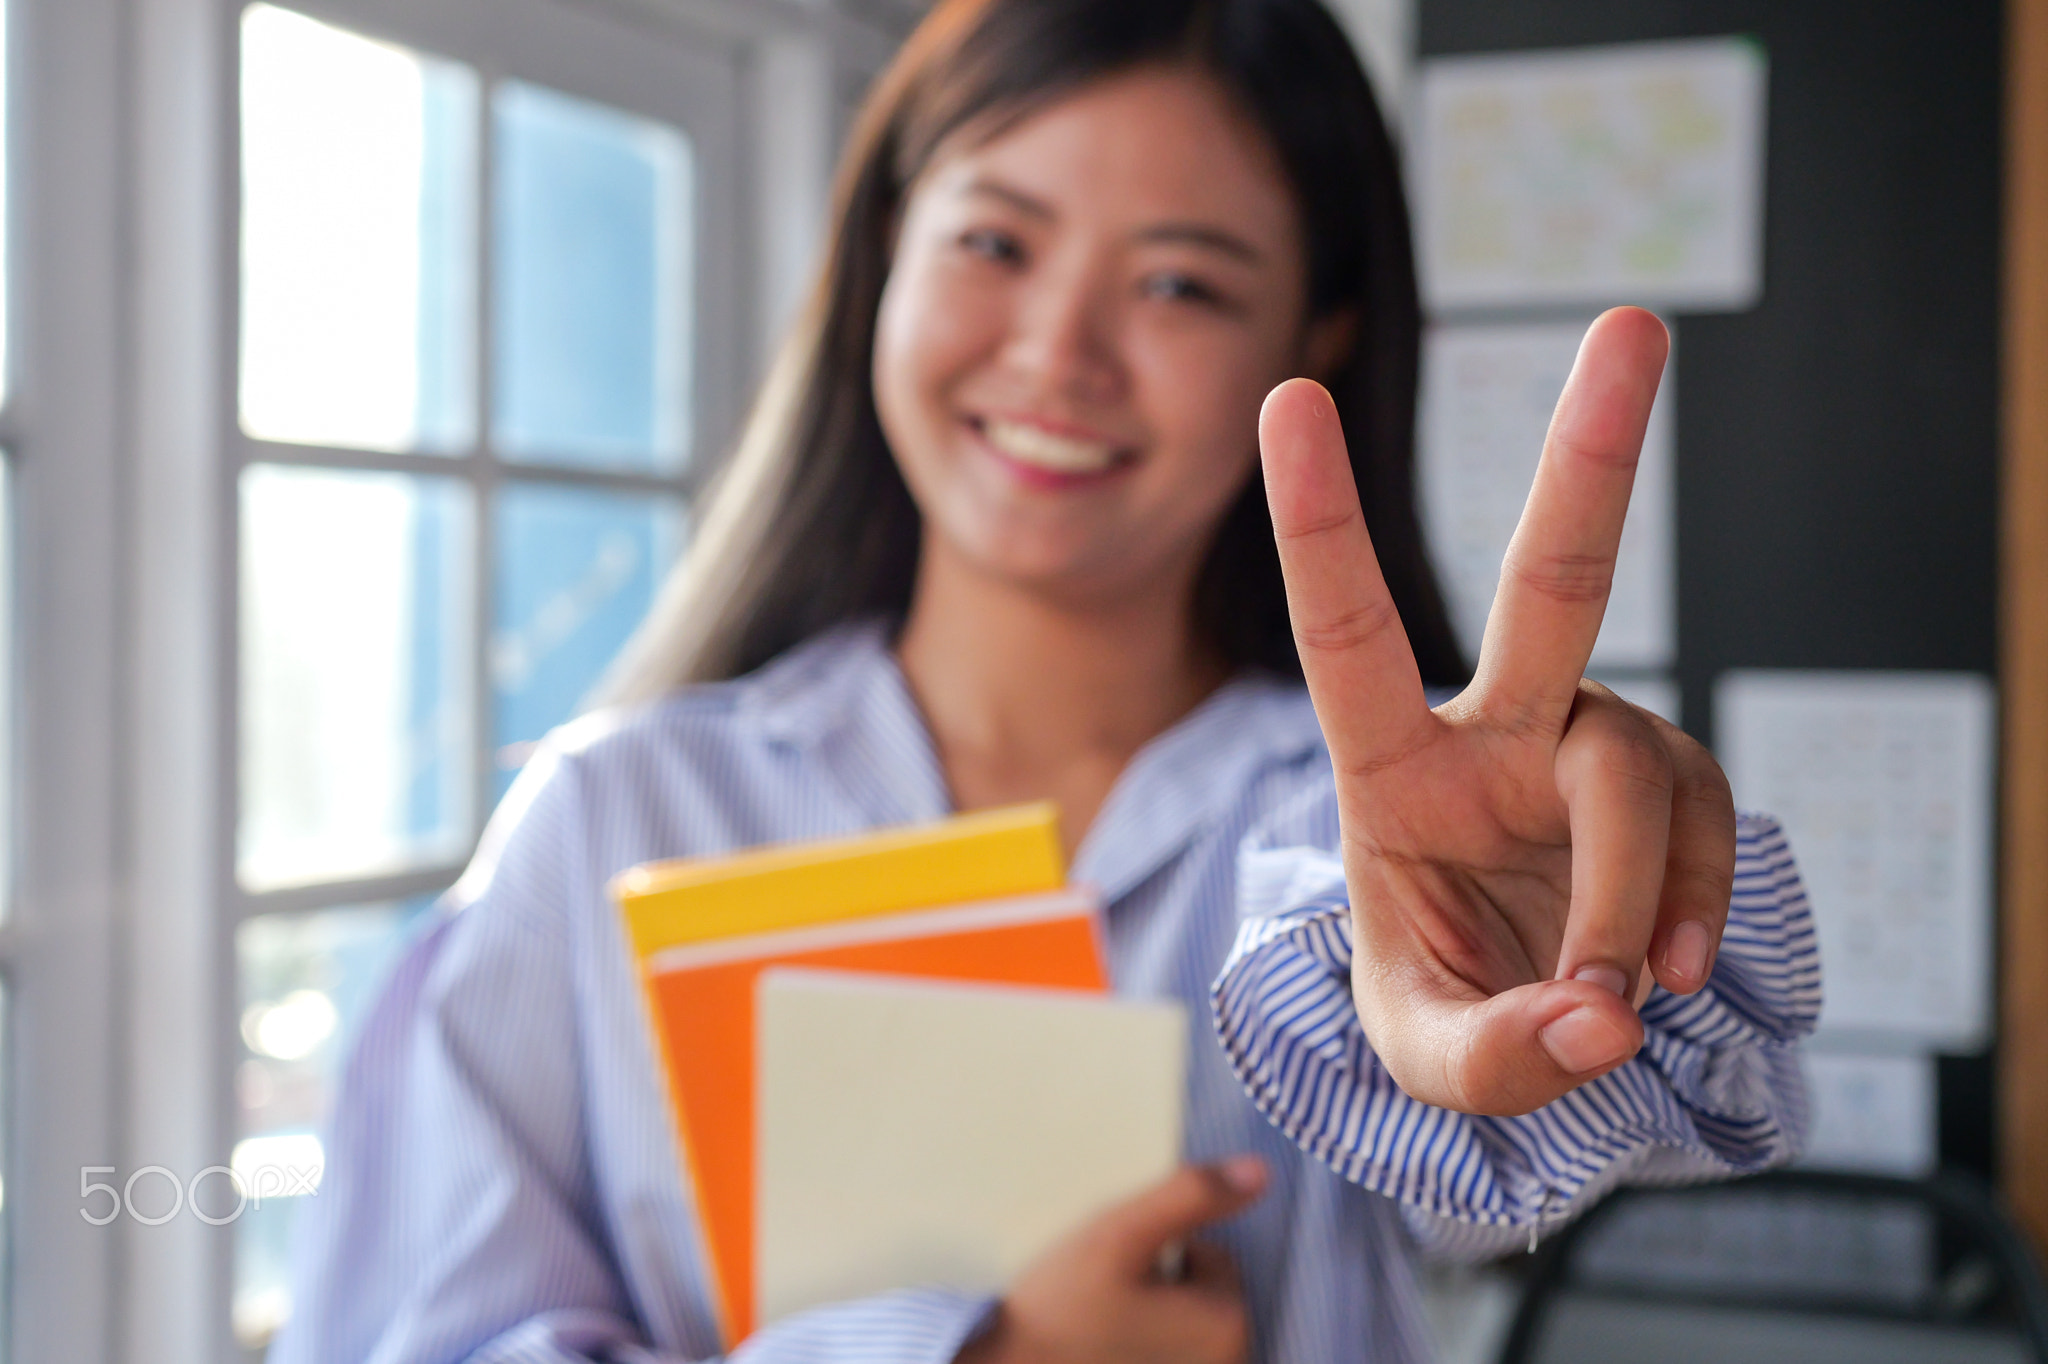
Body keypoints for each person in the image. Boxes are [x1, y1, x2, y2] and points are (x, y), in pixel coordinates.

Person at [275, 1, 1819, 1361]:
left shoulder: (1345, 833)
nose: (1058, 352)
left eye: (1182, 287)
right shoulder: (609, 822)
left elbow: (1592, 1127)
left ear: (1320, 332)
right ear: (886, 243)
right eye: (996, 242)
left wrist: (1564, 952)